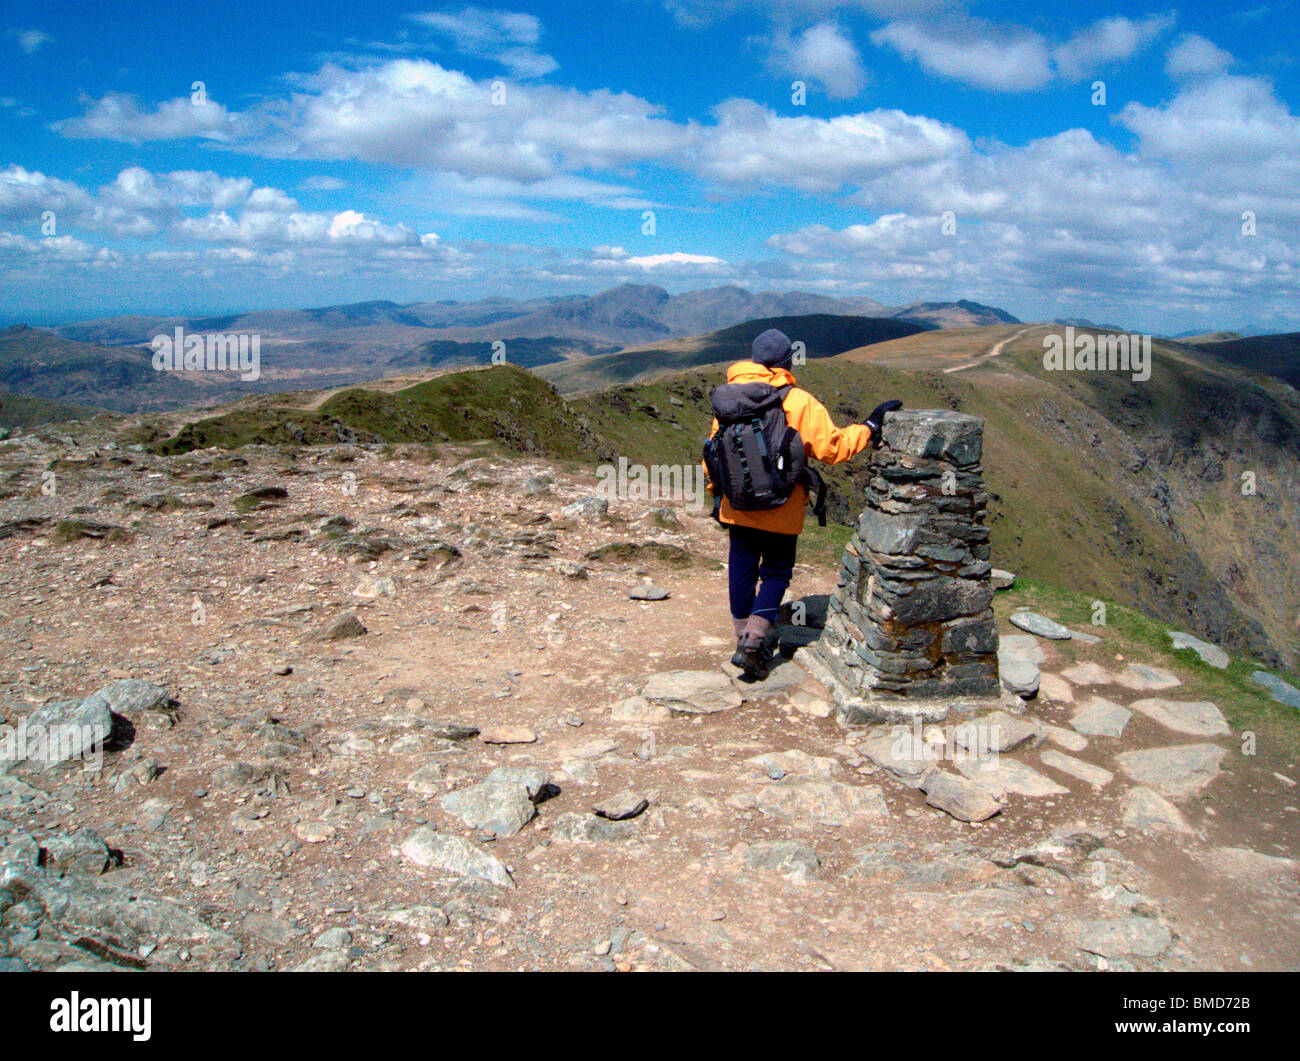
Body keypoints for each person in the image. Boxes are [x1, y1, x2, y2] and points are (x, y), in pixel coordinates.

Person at [704, 328, 901, 678]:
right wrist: (869, 426)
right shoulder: (798, 401)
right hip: (782, 507)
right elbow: (832, 449)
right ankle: (753, 643)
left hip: (738, 505)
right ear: (786, 362)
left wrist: (717, 493)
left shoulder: (728, 398)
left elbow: (714, 453)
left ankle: (741, 637)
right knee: (776, 572)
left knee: (742, 569)